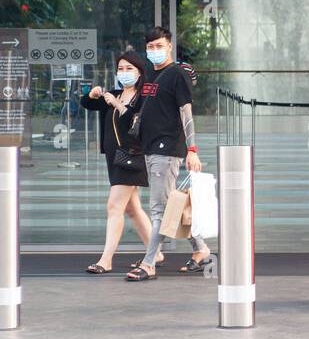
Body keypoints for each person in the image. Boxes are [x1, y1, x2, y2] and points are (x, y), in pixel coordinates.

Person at [127, 26, 212, 281]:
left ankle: (149, 263)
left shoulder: (177, 74)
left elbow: (186, 113)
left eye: (159, 45)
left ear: (169, 46)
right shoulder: (150, 74)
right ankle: (202, 251)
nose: (154, 50)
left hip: (167, 149)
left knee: (158, 210)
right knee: (170, 205)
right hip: (150, 148)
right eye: (150, 46)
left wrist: (192, 149)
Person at [80, 51, 157, 275]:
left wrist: (117, 104)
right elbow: (87, 105)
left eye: (129, 69)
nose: (124, 73)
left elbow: (137, 123)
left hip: (133, 157)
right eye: (120, 69)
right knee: (133, 209)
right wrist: (92, 95)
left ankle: (106, 259)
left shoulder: (144, 98)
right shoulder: (113, 94)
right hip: (114, 158)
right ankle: (156, 252)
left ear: (140, 72)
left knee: (114, 206)